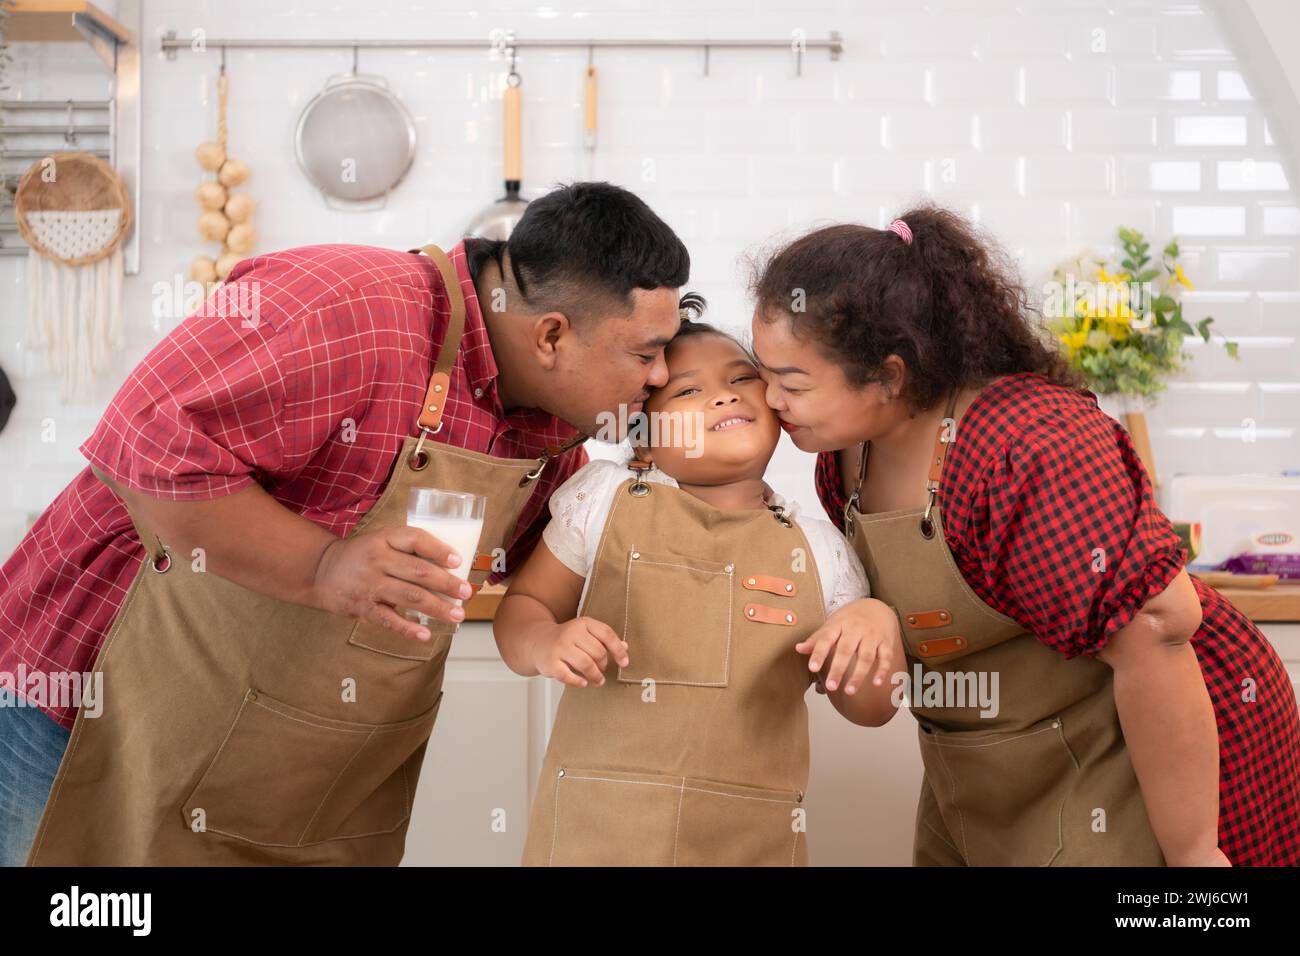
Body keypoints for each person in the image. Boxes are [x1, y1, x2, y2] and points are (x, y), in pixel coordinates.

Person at [0, 181, 690, 866]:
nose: (659, 374)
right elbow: (147, 441)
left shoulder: (550, 429)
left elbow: (553, 573)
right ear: (550, 335)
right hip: (81, 709)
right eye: (645, 352)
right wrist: (324, 566)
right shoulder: (349, 305)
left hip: (297, 784)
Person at [748, 205, 1300, 866]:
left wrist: (1192, 854)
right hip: (984, 772)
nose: (769, 399)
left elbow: (1161, 625)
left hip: (1137, 754)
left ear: (890, 376)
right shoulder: (845, 459)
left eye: (792, 382)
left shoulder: (1025, 445)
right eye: (764, 373)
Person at [494, 305, 898, 865]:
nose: (725, 396)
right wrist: (545, 642)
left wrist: (877, 621)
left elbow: (872, 711)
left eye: (741, 380)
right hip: (598, 835)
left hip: (748, 843)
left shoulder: (820, 550)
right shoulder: (603, 502)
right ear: (645, 441)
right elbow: (524, 609)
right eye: (687, 393)